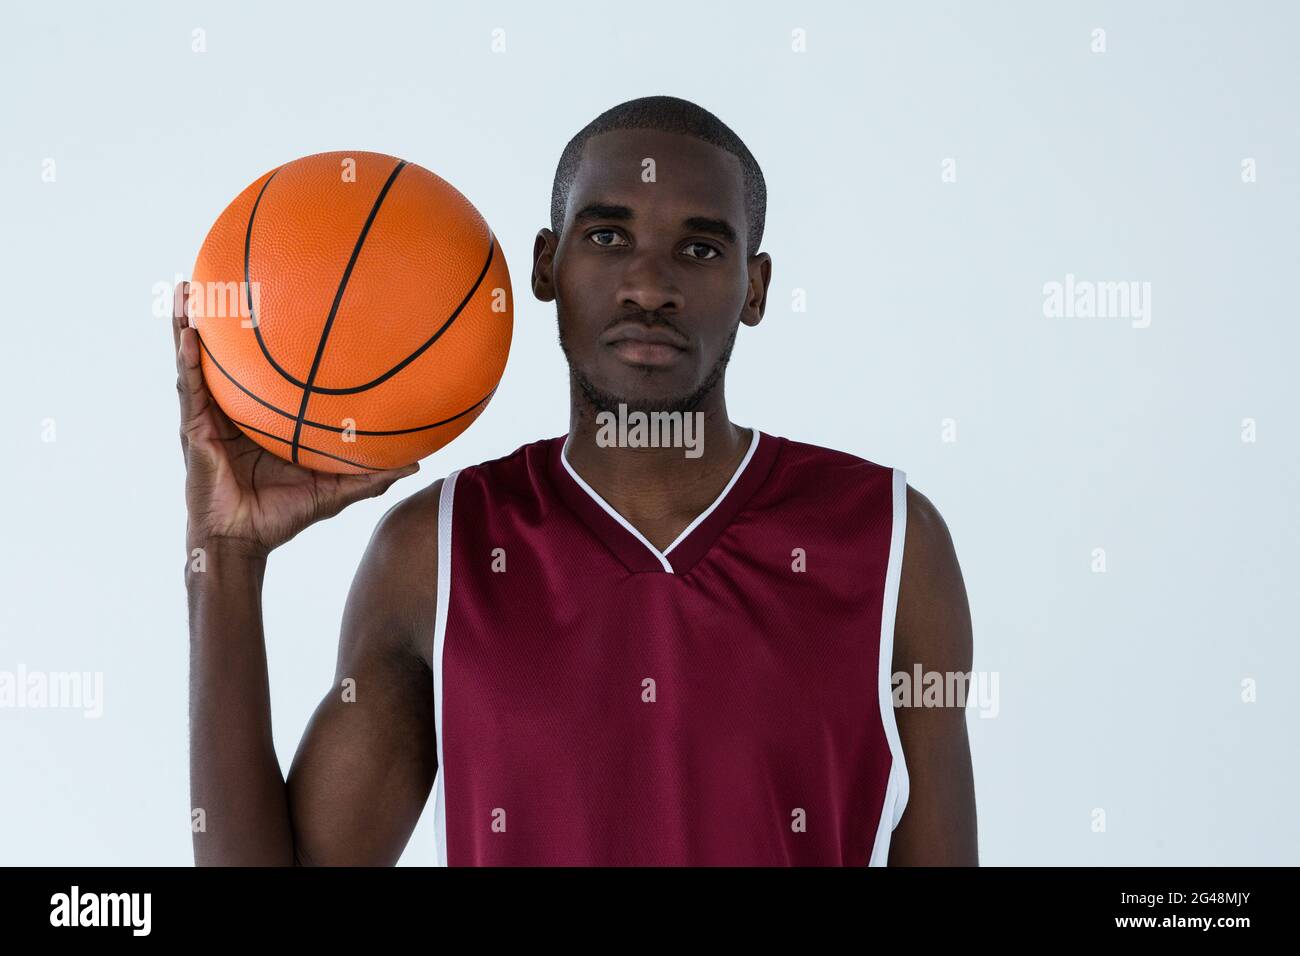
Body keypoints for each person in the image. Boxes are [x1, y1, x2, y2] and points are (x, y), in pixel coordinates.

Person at [177, 95, 977, 866]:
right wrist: (228, 557)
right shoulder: (436, 552)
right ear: (546, 265)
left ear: (756, 288)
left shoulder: (892, 541)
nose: (649, 285)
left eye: (700, 248)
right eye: (606, 236)